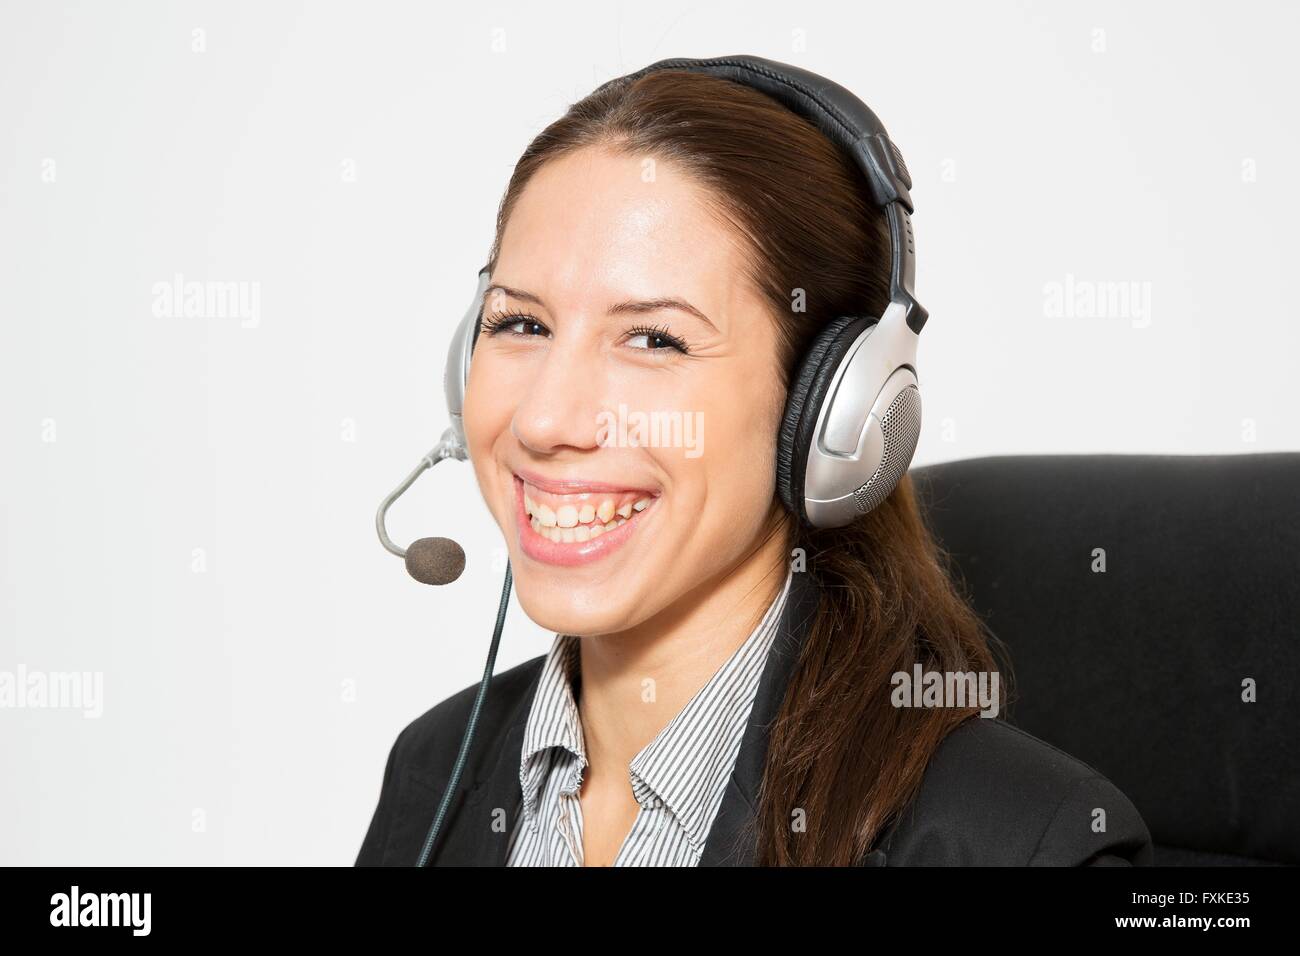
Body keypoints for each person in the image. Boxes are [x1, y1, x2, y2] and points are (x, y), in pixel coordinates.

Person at [356, 61, 1153, 867]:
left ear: (831, 410)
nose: (544, 420)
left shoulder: (1022, 844)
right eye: (521, 324)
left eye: (654, 339)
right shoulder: (432, 776)